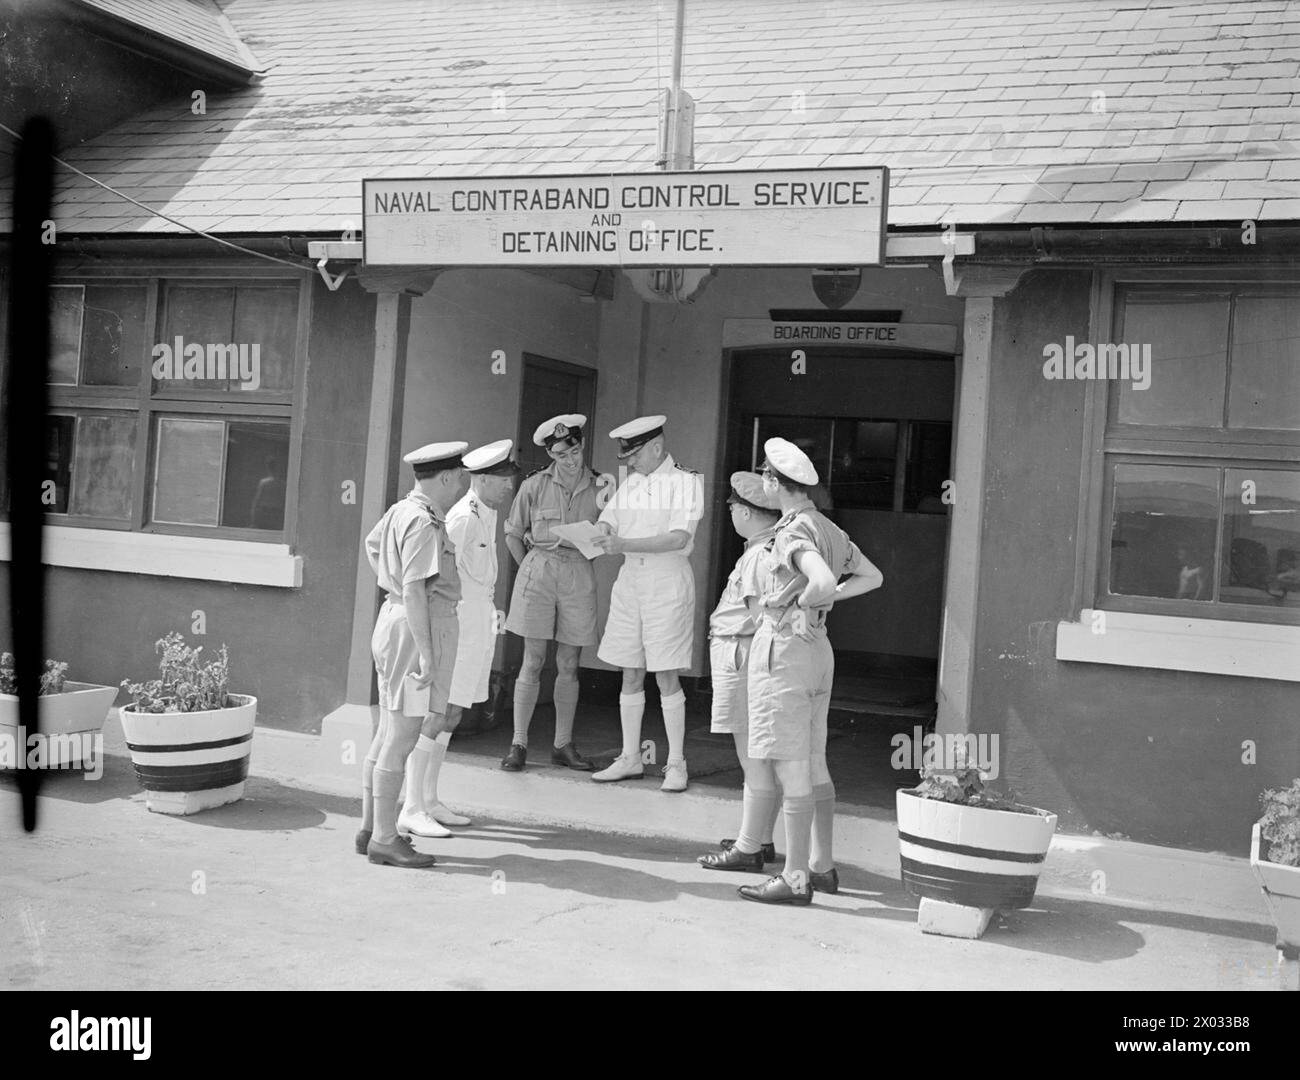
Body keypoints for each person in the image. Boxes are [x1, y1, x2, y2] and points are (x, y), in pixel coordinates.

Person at [735, 438, 883, 905]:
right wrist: (823, 601)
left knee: (790, 765)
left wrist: (802, 599)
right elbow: (872, 576)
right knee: (815, 759)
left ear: (775, 482)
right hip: (819, 649)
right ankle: (822, 866)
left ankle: (794, 878)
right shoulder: (830, 528)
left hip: (787, 653)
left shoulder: (791, 531)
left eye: (766, 476)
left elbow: (818, 580)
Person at [356, 441, 468, 869]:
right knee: (403, 736)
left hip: (395, 620)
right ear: (443, 478)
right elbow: (416, 591)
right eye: (458, 475)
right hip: (416, 628)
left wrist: (394, 582)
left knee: (387, 730)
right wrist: (426, 653)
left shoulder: (402, 511)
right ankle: (385, 838)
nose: (462, 482)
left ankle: (370, 827)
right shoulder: (423, 522)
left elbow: (372, 546)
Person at [398, 439, 518, 838]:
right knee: (437, 713)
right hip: (459, 623)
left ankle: (430, 799)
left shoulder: (485, 515)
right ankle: (412, 806)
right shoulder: (463, 518)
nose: (509, 487)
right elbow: (438, 580)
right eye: (503, 479)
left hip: (478, 621)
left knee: (452, 714)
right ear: (481, 480)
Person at [590, 415, 704, 792]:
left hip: (665, 582)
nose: (630, 462)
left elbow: (676, 538)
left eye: (635, 454)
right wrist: (603, 531)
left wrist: (623, 544)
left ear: (656, 447)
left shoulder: (686, 483)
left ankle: (675, 763)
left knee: (666, 673)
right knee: (630, 670)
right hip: (631, 582)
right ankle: (629, 757)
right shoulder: (632, 484)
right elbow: (610, 521)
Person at [501, 414, 603, 772]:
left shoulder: (602, 485)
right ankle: (519, 743)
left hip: (578, 571)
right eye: (561, 455)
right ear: (551, 455)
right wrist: (529, 565)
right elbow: (513, 532)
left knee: (569, 663)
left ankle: (562, 744)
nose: (570, 460)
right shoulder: (534, 486)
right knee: (532, 659)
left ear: (582, 444)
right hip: (539, 569)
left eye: (574, 451)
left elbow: (612, 532)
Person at [696, 472, 783, 873]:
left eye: (732, 507)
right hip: (745, 652)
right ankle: (760, 839)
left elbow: (760, 619)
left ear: (746, 511)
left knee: (753, 757)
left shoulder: (756, 556)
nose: (730, 512)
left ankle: (749, 848)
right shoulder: (768, 548)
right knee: (760, 756)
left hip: (742, 653)